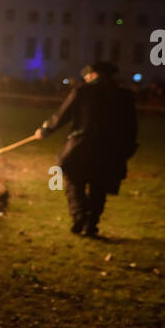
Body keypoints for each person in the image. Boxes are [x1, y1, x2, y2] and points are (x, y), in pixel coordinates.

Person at [33, 61, 137, 237]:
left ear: (94, 74)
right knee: (99, 187)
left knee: (74, 181)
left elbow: (63, 115)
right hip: (111, 150)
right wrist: (126, 149)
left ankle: (79, 216)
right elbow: (131, 126)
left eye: (88, 76)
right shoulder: (124, 96)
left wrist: (45, 130)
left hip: (82, 146)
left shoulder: (83, 91)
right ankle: (91, 224)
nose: (86, 79)